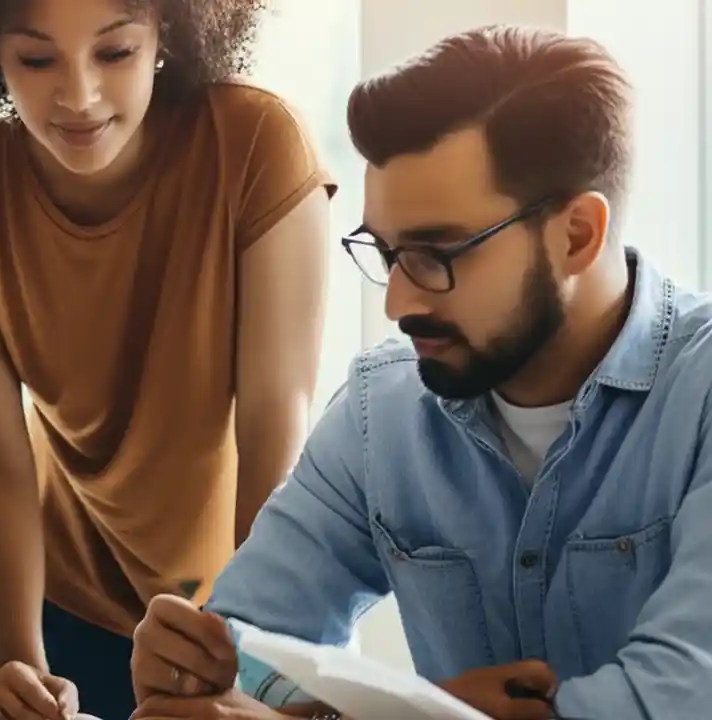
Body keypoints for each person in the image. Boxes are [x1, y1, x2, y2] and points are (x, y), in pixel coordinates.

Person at [130, 25, 712, 720]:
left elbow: (677, 696)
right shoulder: (383, 413)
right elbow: (246, 652)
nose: (398, 301)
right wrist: (193, 664)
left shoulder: (699, 391)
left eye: (437, 253)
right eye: (386, 252)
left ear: (577, 235)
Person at [0, 0, 335, 716]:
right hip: (50, 597)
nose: (80, 95)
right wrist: (19, 667)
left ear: (166, 40)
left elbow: (275, 418)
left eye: (115, 53)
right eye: (36, 60)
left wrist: (245, 639)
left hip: (229, 598)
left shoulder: (255, 141)